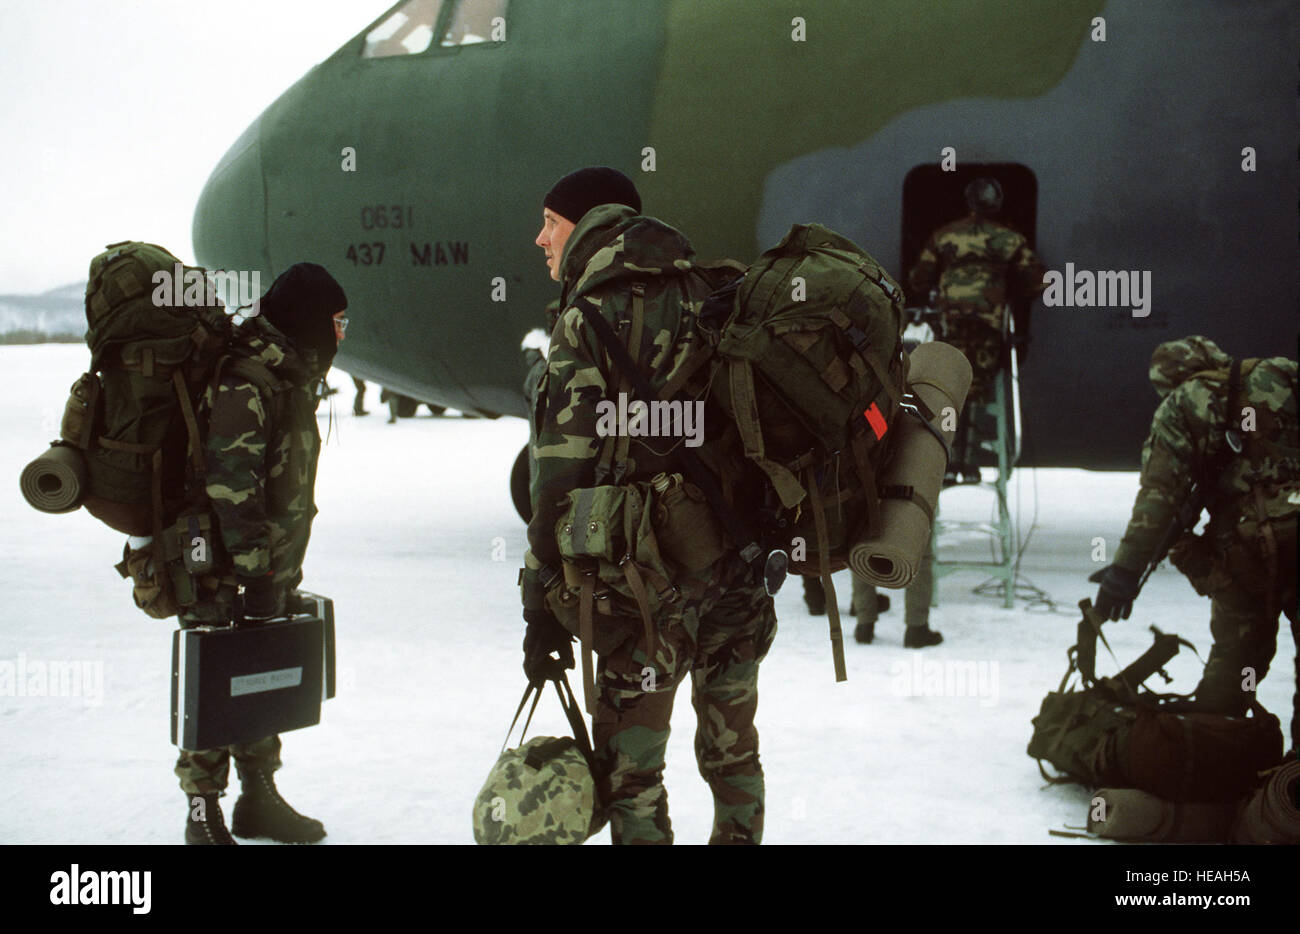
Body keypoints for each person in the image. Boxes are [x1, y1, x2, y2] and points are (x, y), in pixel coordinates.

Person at [519, 166, 778, 844]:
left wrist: (538, 591)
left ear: (584, 224)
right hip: (737, 570)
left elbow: (558, 475)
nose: (540, 238)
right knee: (733, 749)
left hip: (644, 589)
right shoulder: (719, 290)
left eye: (550, 222)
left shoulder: (588, 314)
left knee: (632, 773)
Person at [177, 262, 347, 845]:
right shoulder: (247, 380)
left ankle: (258, 798)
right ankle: (202, 813)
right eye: (336, 320)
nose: (342, 333)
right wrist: (255, 570)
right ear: (307, 319)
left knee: (257, 679)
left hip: (264, 564)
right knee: (213, 686)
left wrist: (271, 570)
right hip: (222, 567)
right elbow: (231, 482)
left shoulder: (288, 375)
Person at [1091, 336, 1298, 754]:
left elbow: (1158, 498)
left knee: (1237, 660)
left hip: (1247, 554)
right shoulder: (1280, 371)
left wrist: (1124, 573)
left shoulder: (1181, 404)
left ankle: (1212, 759)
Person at [907, 177, 1044, 482]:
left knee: (950, 386)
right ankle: (965, 461)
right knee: (974, 389)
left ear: (969, 202)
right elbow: (1035, 281)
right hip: (986, 323)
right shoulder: (1009, 238)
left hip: (950, 321)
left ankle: (944, 458)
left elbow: (920, 278)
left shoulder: (945, 235)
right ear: (996, 204)